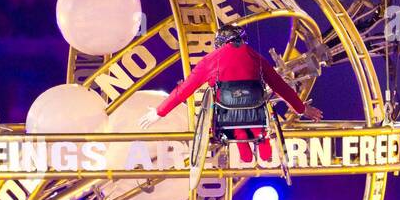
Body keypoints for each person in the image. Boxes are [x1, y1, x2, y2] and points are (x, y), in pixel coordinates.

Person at [138, 27, 322, 160]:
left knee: (240, 143)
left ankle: (245, 146)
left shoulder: (209, 61)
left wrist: (159, 112)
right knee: (263, 146)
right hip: (256, 117)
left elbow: (184, 90)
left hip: (227, 121)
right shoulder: (256, 57)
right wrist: (301, 108)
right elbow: (281, 86)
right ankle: (263, 147)